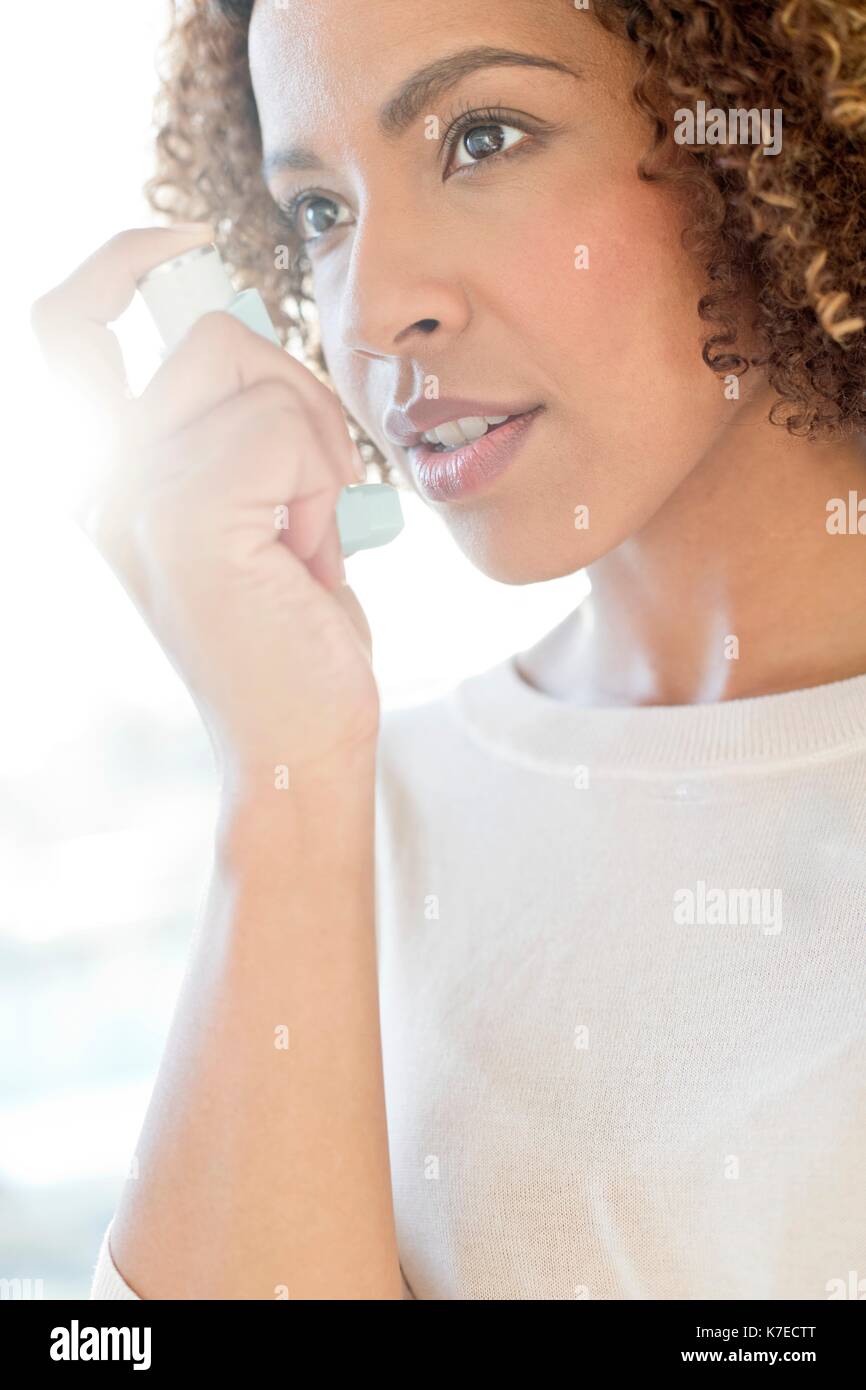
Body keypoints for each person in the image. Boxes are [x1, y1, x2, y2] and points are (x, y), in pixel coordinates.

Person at [32, 0, 866, 1300]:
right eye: (319, 213)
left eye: (482, 136)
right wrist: (288, 780)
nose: (371, 312)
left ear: (765, 133)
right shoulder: (353, 815)